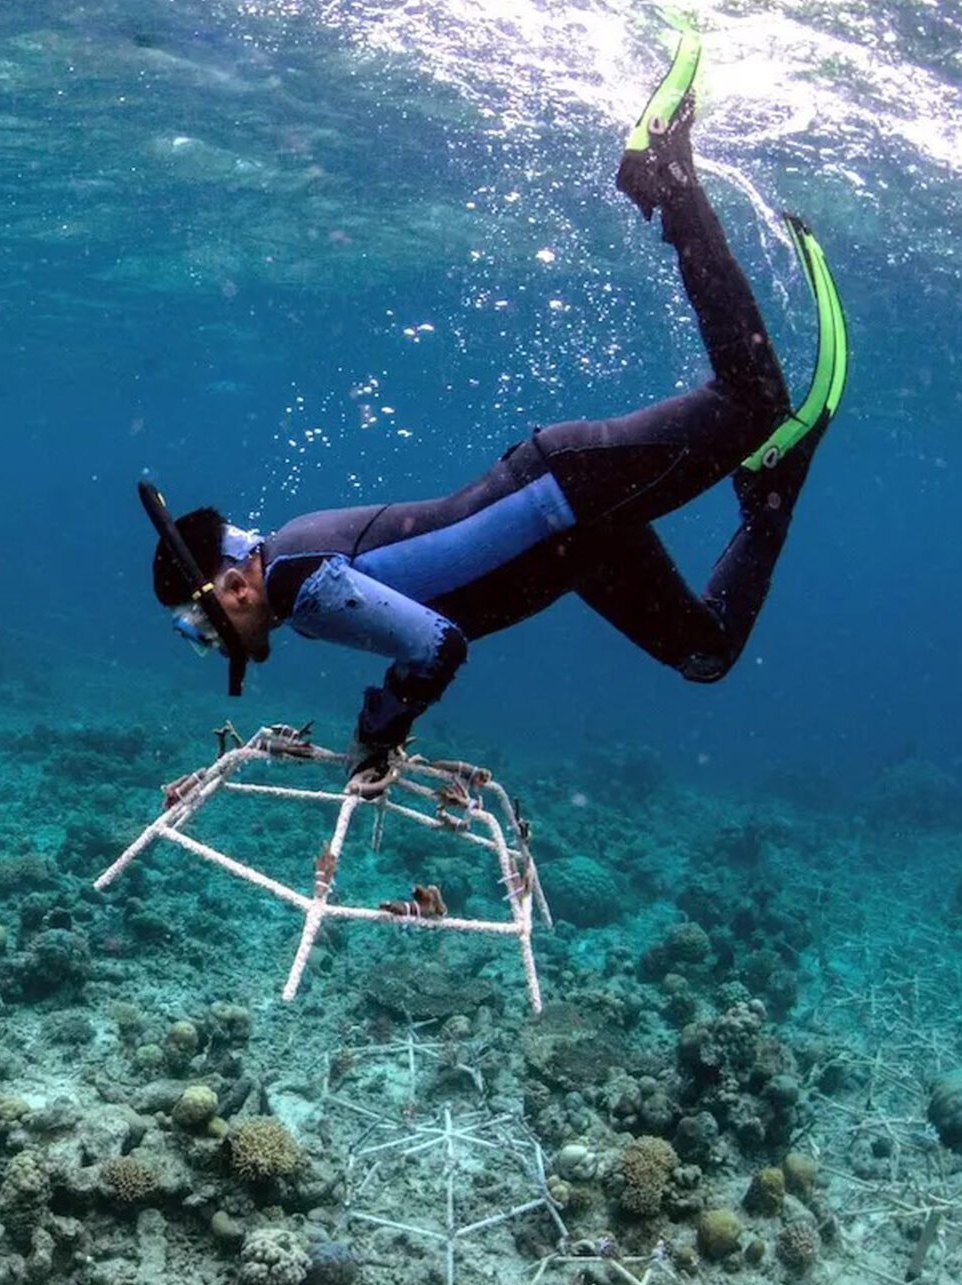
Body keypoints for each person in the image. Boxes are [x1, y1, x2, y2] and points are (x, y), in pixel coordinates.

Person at [141, 23, 849, 794]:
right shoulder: (289, 577)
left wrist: (380, 731)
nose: (215, 644)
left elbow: (437, 642)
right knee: (702, 653)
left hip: (564, 497)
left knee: (752, 400)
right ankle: (770, 484)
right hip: (574, 538)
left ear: (232, 589)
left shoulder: (297, 587)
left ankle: (665, 172)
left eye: (203, 630)